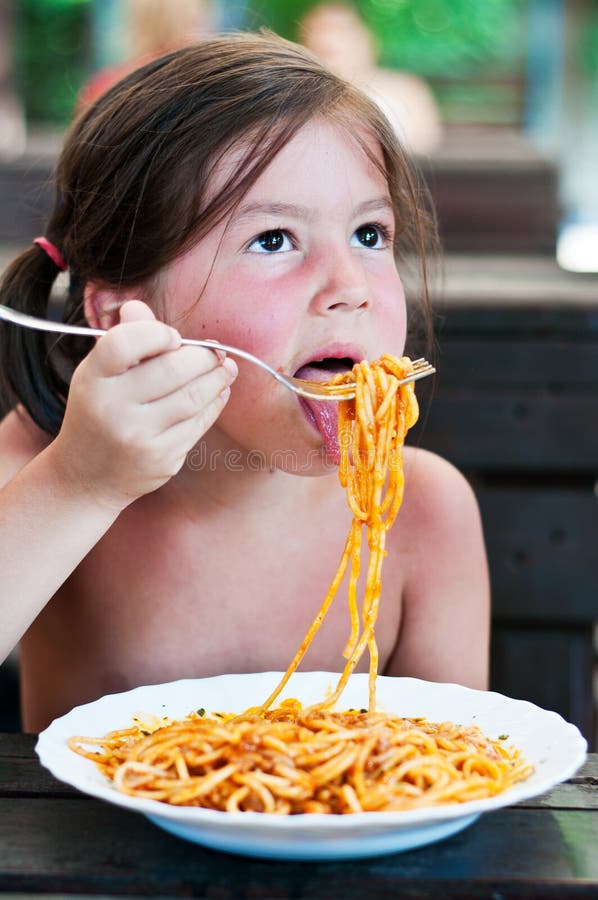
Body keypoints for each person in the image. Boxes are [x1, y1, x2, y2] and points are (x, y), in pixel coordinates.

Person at [0, 32, 489, 733]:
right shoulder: (46, 462)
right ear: (127, 316)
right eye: (273, 240)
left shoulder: (424, 510)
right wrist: (82, 483)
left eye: (370, 235)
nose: (349, 288)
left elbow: (459, 769)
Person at [299, 2, 443, 156]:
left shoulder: (406, 87)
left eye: (341, 30)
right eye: (319, 30)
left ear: (366, 36)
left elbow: (427, 142)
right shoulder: (301, 97)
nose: (329, 40)